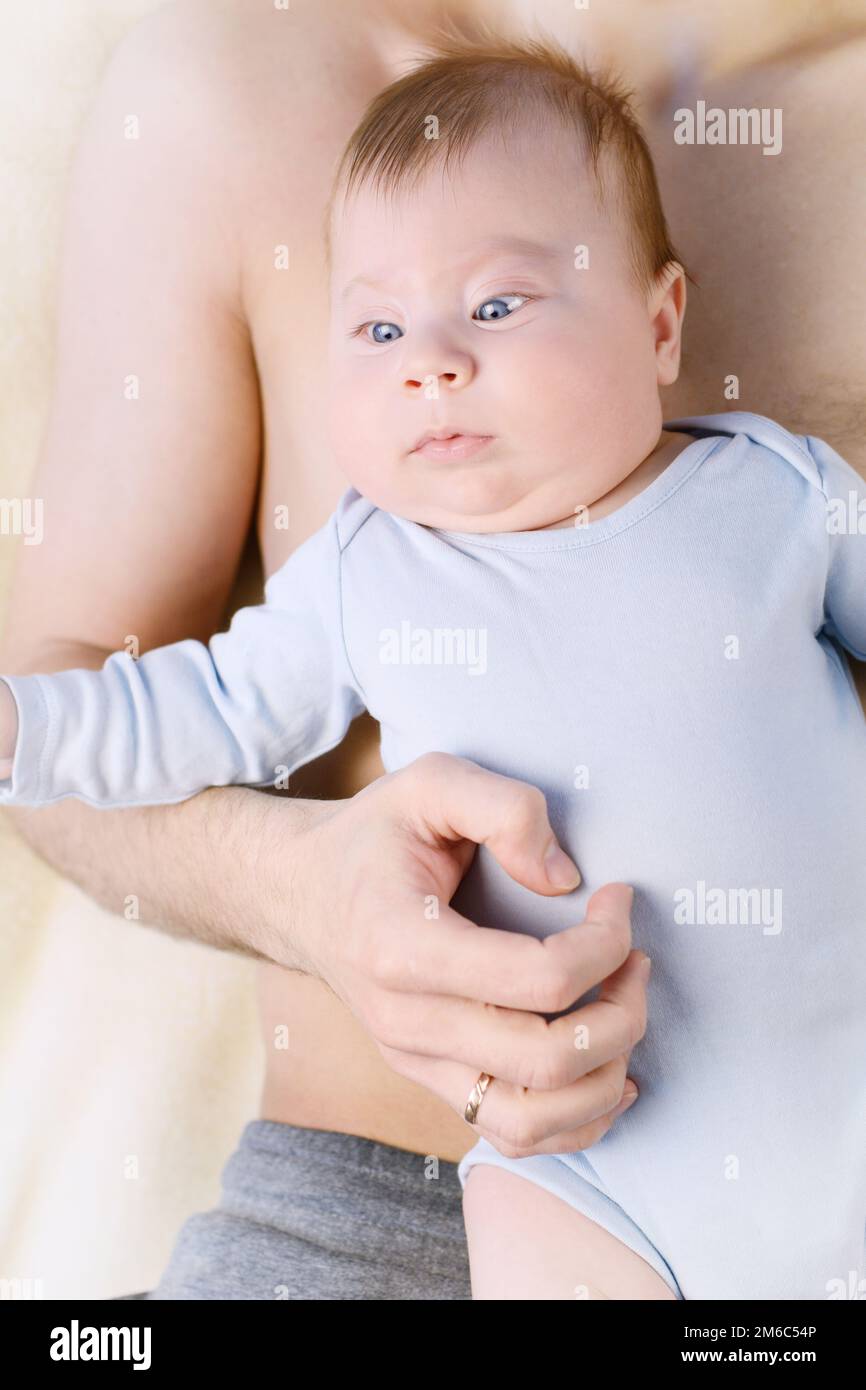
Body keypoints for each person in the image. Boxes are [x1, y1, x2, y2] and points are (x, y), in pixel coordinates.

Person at [1, 0, 864, 1300]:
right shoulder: (242, 83)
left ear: (659, 321)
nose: (433, 368)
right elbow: (85, 713)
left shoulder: (773, 492)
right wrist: (303, 890)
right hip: (382, 1213)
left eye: (500, 304)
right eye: (379, 331)